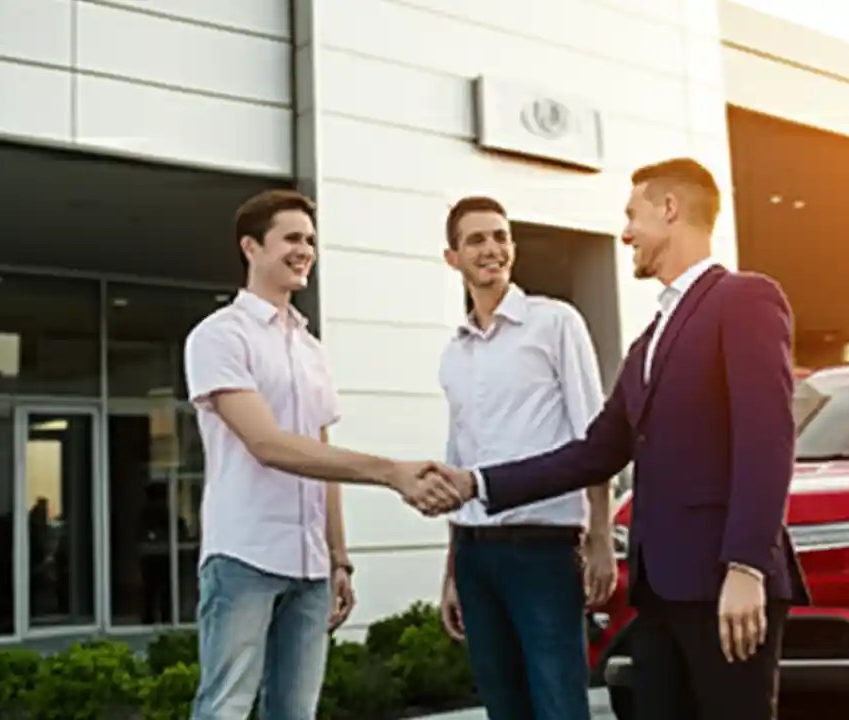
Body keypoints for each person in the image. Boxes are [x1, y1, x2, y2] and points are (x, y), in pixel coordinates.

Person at [434, 159, 810, 719]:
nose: (626, 232)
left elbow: (767, 440)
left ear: (670, 210)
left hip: (722, 584)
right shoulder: (648, 342)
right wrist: (476, 483)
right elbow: (594, 452)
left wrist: (746, 566)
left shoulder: (744, 299)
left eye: (632, 215)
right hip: (660, 591)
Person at [185, 189, 459, 720]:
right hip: (244, 555)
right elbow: (265, 444)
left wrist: (339, 558)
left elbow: (320, 450)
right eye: (291, 238)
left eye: (310, 240)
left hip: (310, 564)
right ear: (251, 247)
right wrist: (389, 472)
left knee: (296, 713)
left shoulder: (310, 349)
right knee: (225, 707)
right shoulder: (218, 337)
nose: (304, 249)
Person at [436, 196, 617, 720]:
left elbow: (594, 438)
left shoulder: (555, 322)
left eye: (500, 236)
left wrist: (601, 537)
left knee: (559, 705)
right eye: (476, 240)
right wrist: (452, 569)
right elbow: (459, 459)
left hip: (544, 549)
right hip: (475, 554)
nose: (492, 249)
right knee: (503, 708)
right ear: (453, 258)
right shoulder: (456, 351)